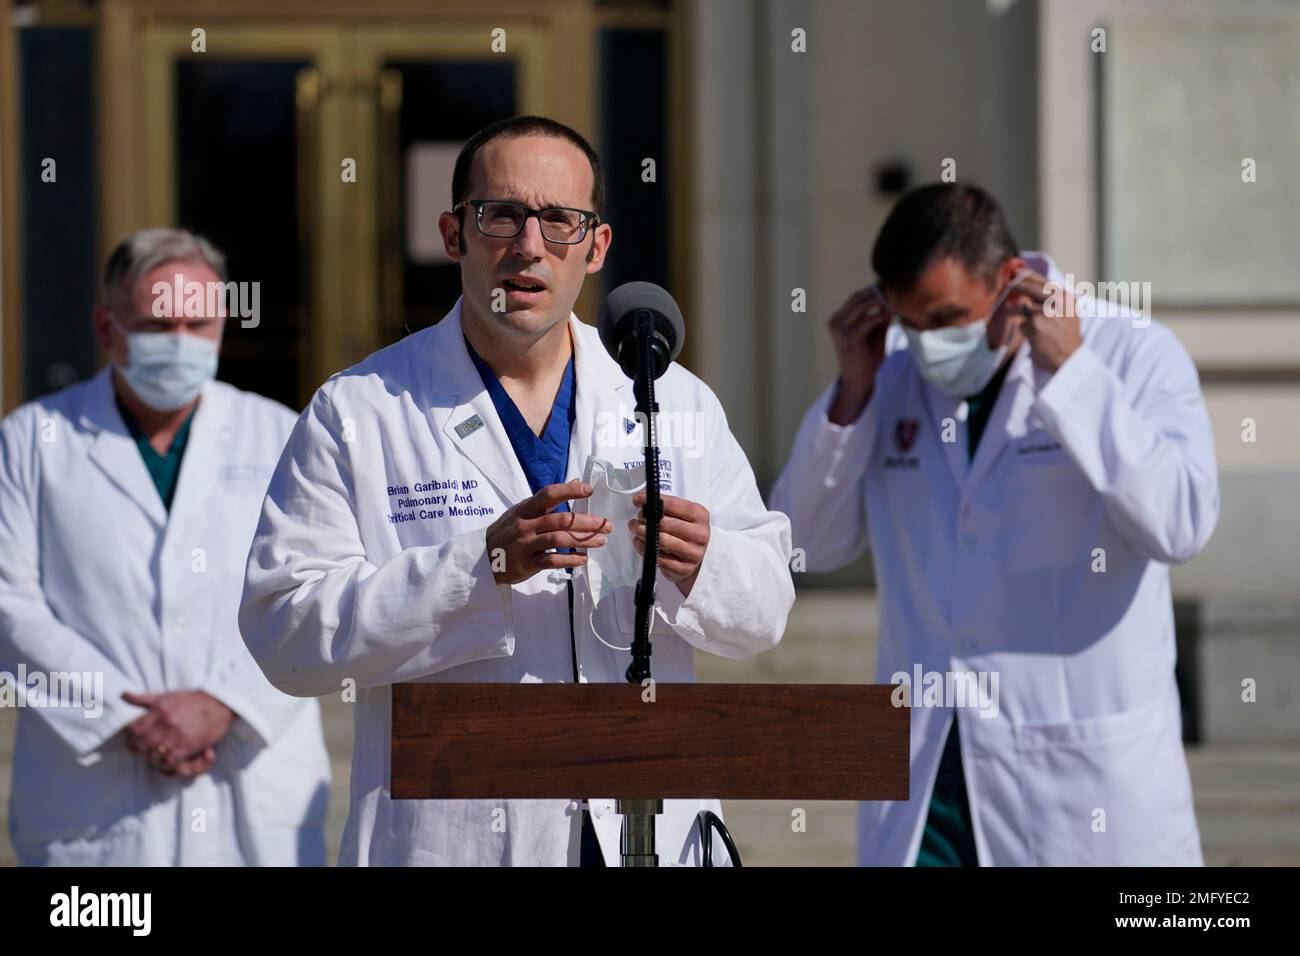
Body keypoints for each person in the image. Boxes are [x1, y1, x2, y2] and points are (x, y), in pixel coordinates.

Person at [239, 115, 794, 866]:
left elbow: (763, 613)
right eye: (500, 215)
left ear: (595, 247)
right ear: (453, 235)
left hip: (642, 828)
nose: (529, 246)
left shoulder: (673, 401)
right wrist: (478, 569)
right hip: (455, 835)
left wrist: (706, 564)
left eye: (559, 220)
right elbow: (286, 637)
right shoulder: (361, 410)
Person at [772, 183, 1218, 866]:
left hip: (1078, 785)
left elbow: (1181, 523)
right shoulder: (887, 375)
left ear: (1013, 283)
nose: (927, 346)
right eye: (908, 325)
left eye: (947, 319)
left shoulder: (1132, 354)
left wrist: (1073, 378)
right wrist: (850, 398)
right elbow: (803, 544)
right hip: (926, 787)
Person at [0, 228, 329, 866]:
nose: (179, 343)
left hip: (252, 785)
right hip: (93, 795)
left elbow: (315, 590)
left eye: (197, 323)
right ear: (105, 328)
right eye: (156, 325)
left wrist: (223, 704)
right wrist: (124, 714)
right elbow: (8, 602)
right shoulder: (31, 440)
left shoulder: (281, 434)